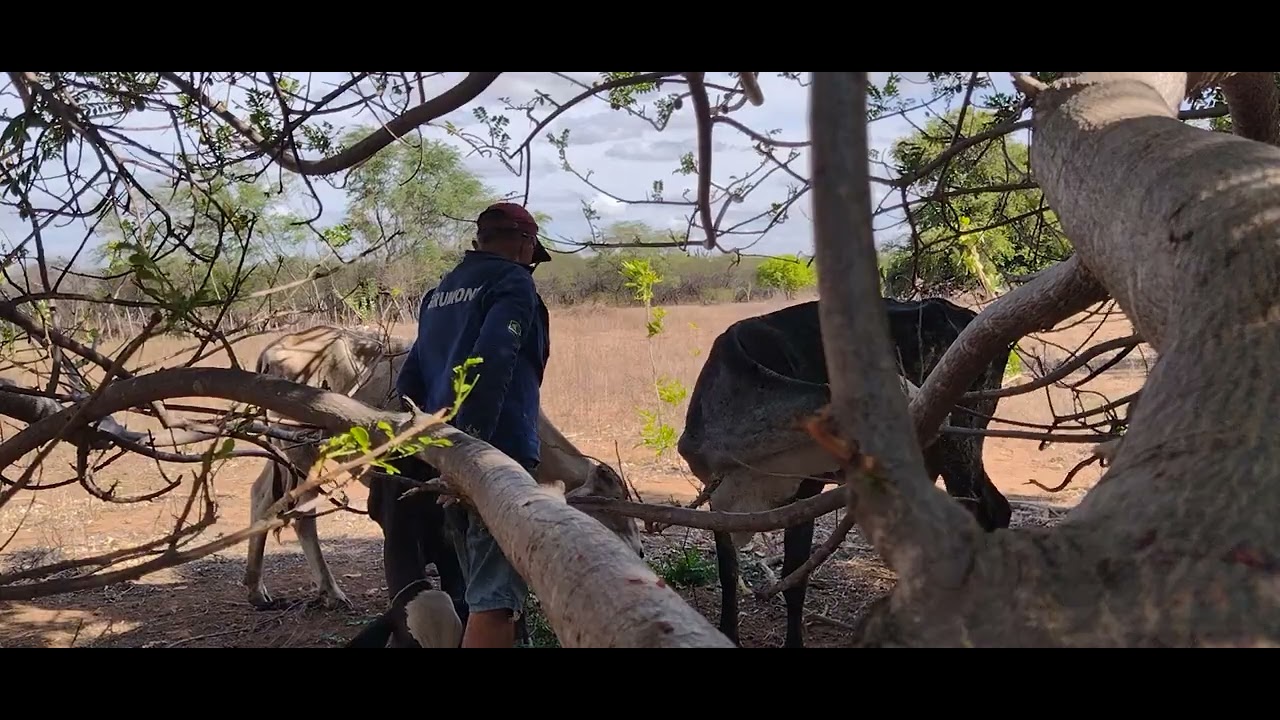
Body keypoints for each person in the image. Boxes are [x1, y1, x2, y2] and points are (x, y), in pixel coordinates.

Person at [392, 201, 552, 648]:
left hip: (448, 453)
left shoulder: (440, 292)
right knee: (495, 600)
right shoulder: (512, 281)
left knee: (482, 580)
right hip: (495, 457)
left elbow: (411, 378)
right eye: (532, 250)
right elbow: (495, 357)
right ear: (525, 243)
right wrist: (478, 451)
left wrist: (440, 450)